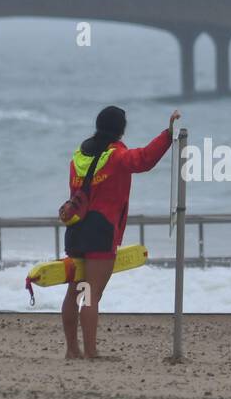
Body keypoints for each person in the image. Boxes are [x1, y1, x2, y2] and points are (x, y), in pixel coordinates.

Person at [62, 105, 179, 359]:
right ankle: (91, 353)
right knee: (91, 293)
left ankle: (73, 349)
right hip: (100, 231)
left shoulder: (79, 157)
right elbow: (145, 159)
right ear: (121, 130)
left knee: (76, 291)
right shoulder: (116, 156)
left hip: (76, 231)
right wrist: (168, 134)